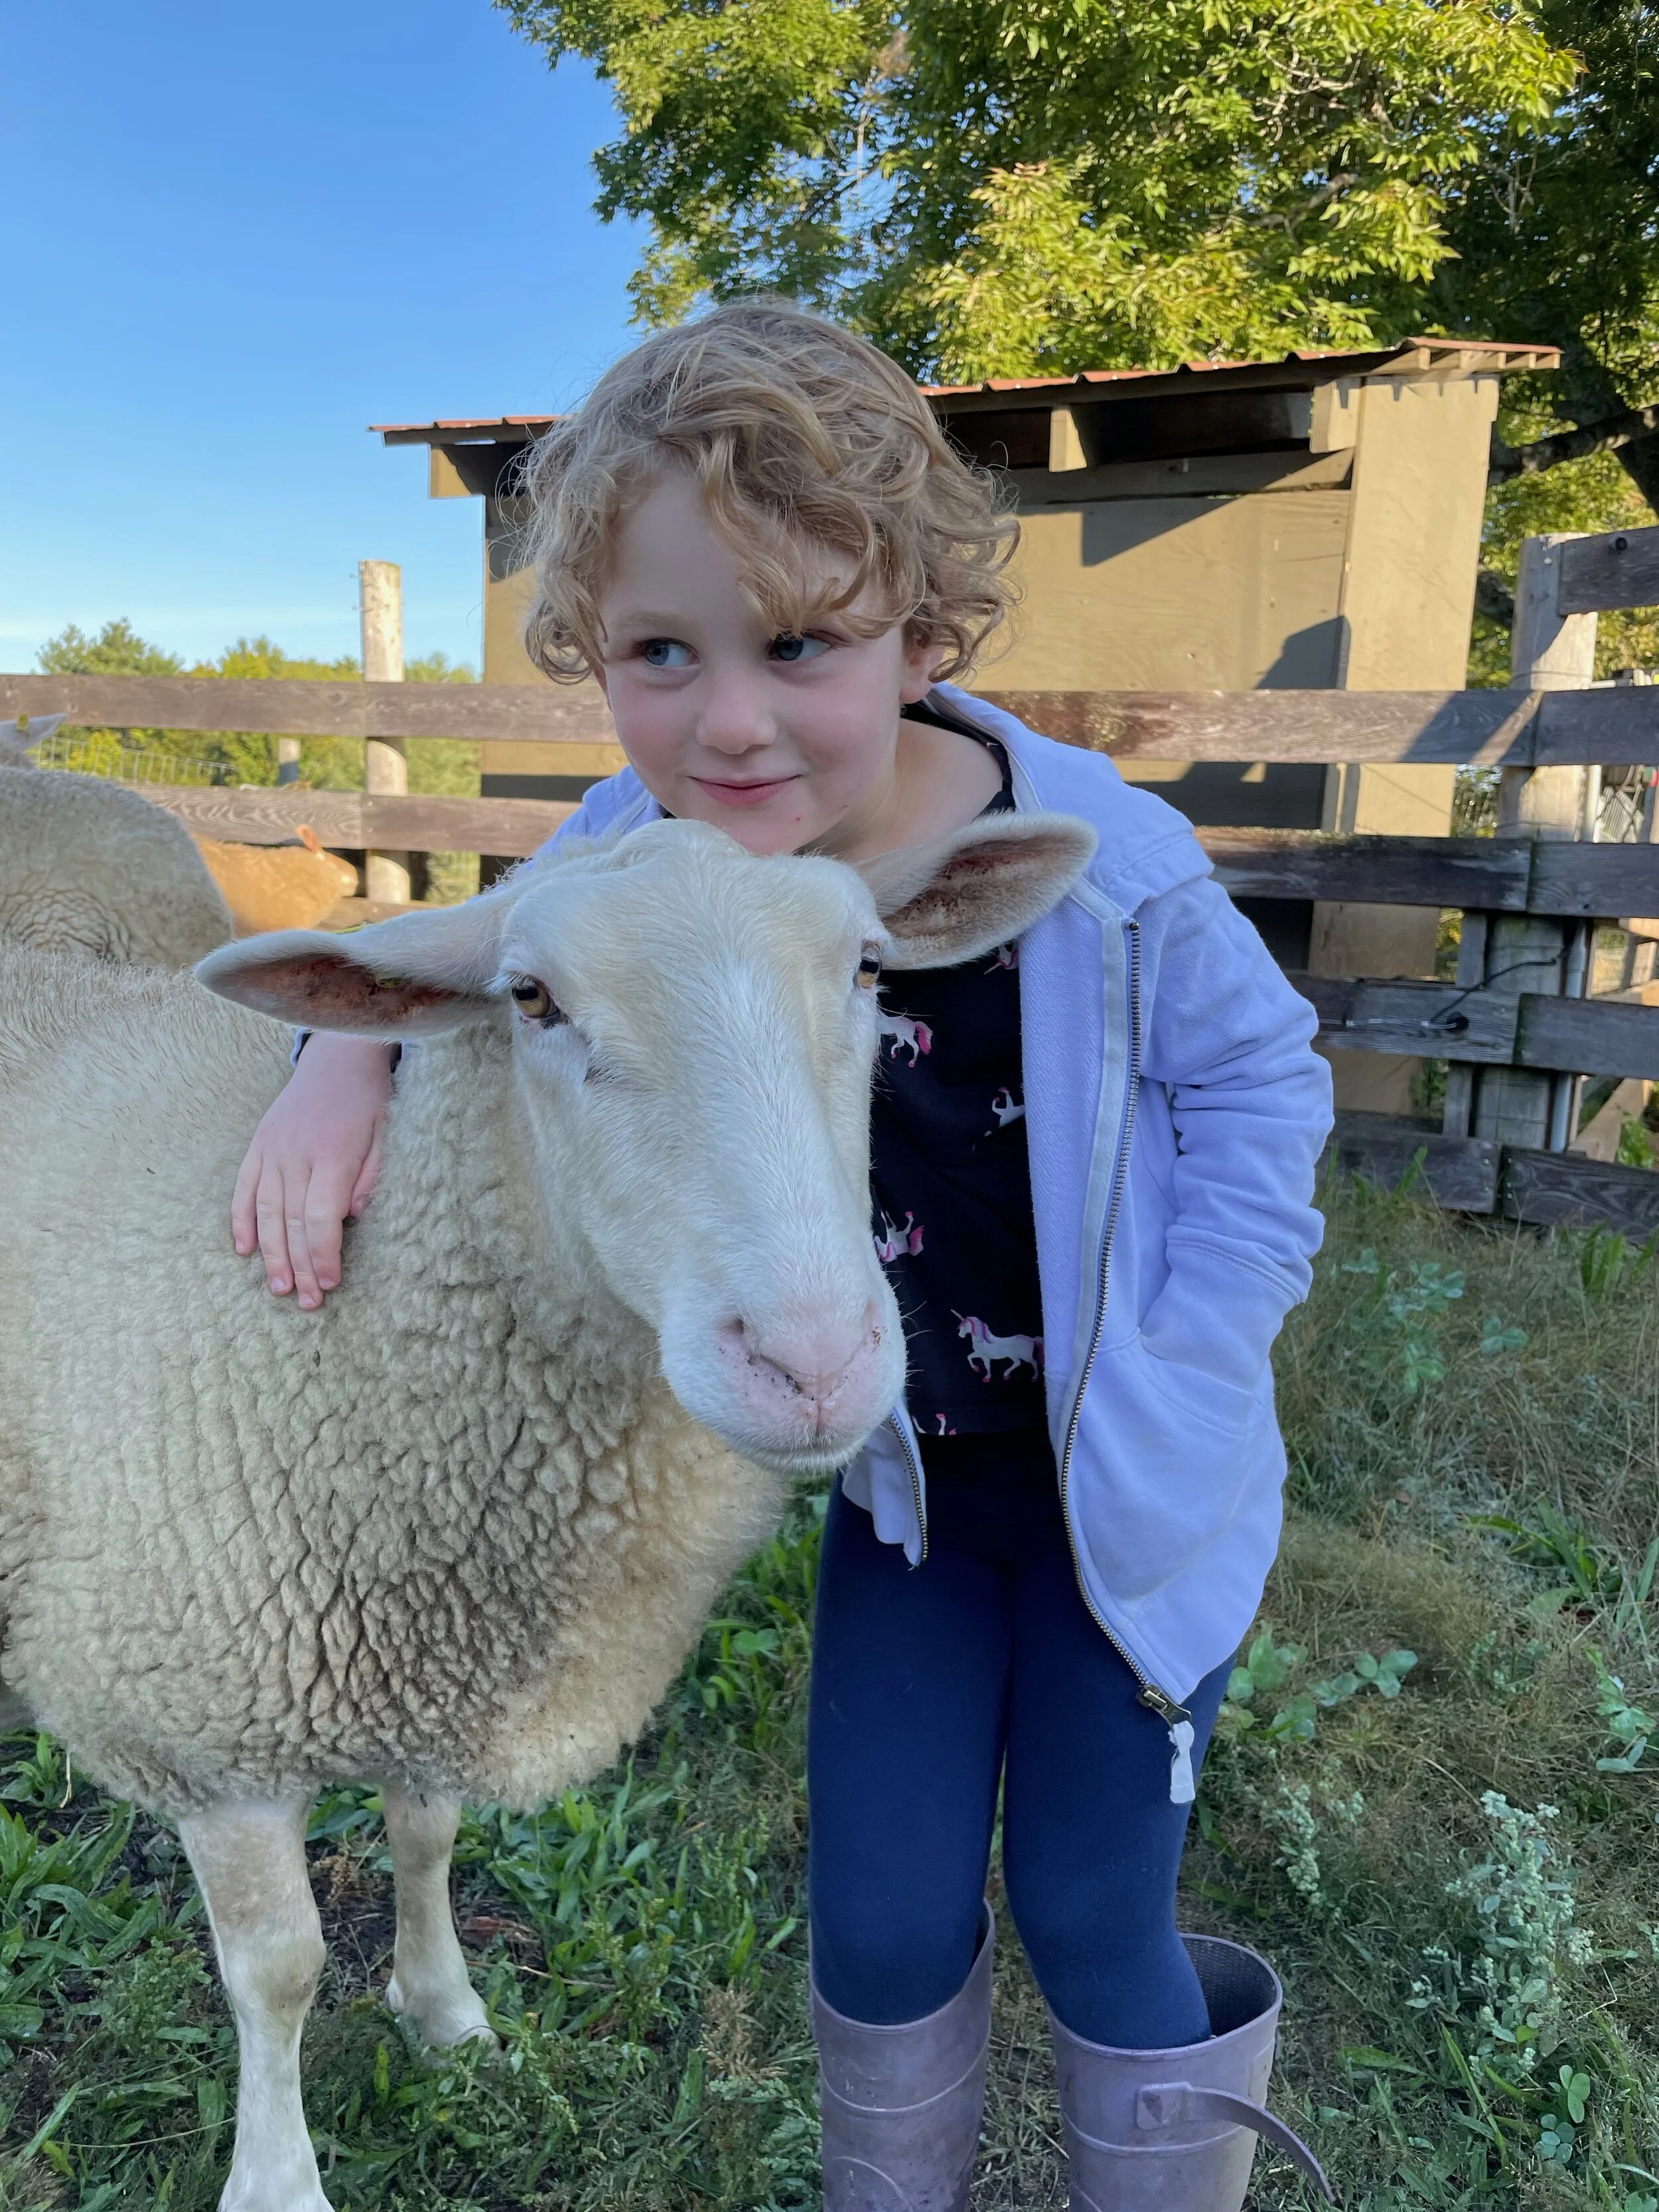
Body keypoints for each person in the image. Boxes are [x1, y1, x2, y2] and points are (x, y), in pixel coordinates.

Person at [232, 300, 1334, 2212]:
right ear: (596, 658)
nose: (728, 720)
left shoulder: (1103, 859)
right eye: (662, 652)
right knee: (885, 1919)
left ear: (920, 627)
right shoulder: (655, 835)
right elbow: (502, 932)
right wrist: (339, 1056)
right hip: (902, 1497)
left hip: (1130, 1499)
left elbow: (1261, 1087)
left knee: (1090, 1908)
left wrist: (1194, 1349)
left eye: (799, 644)